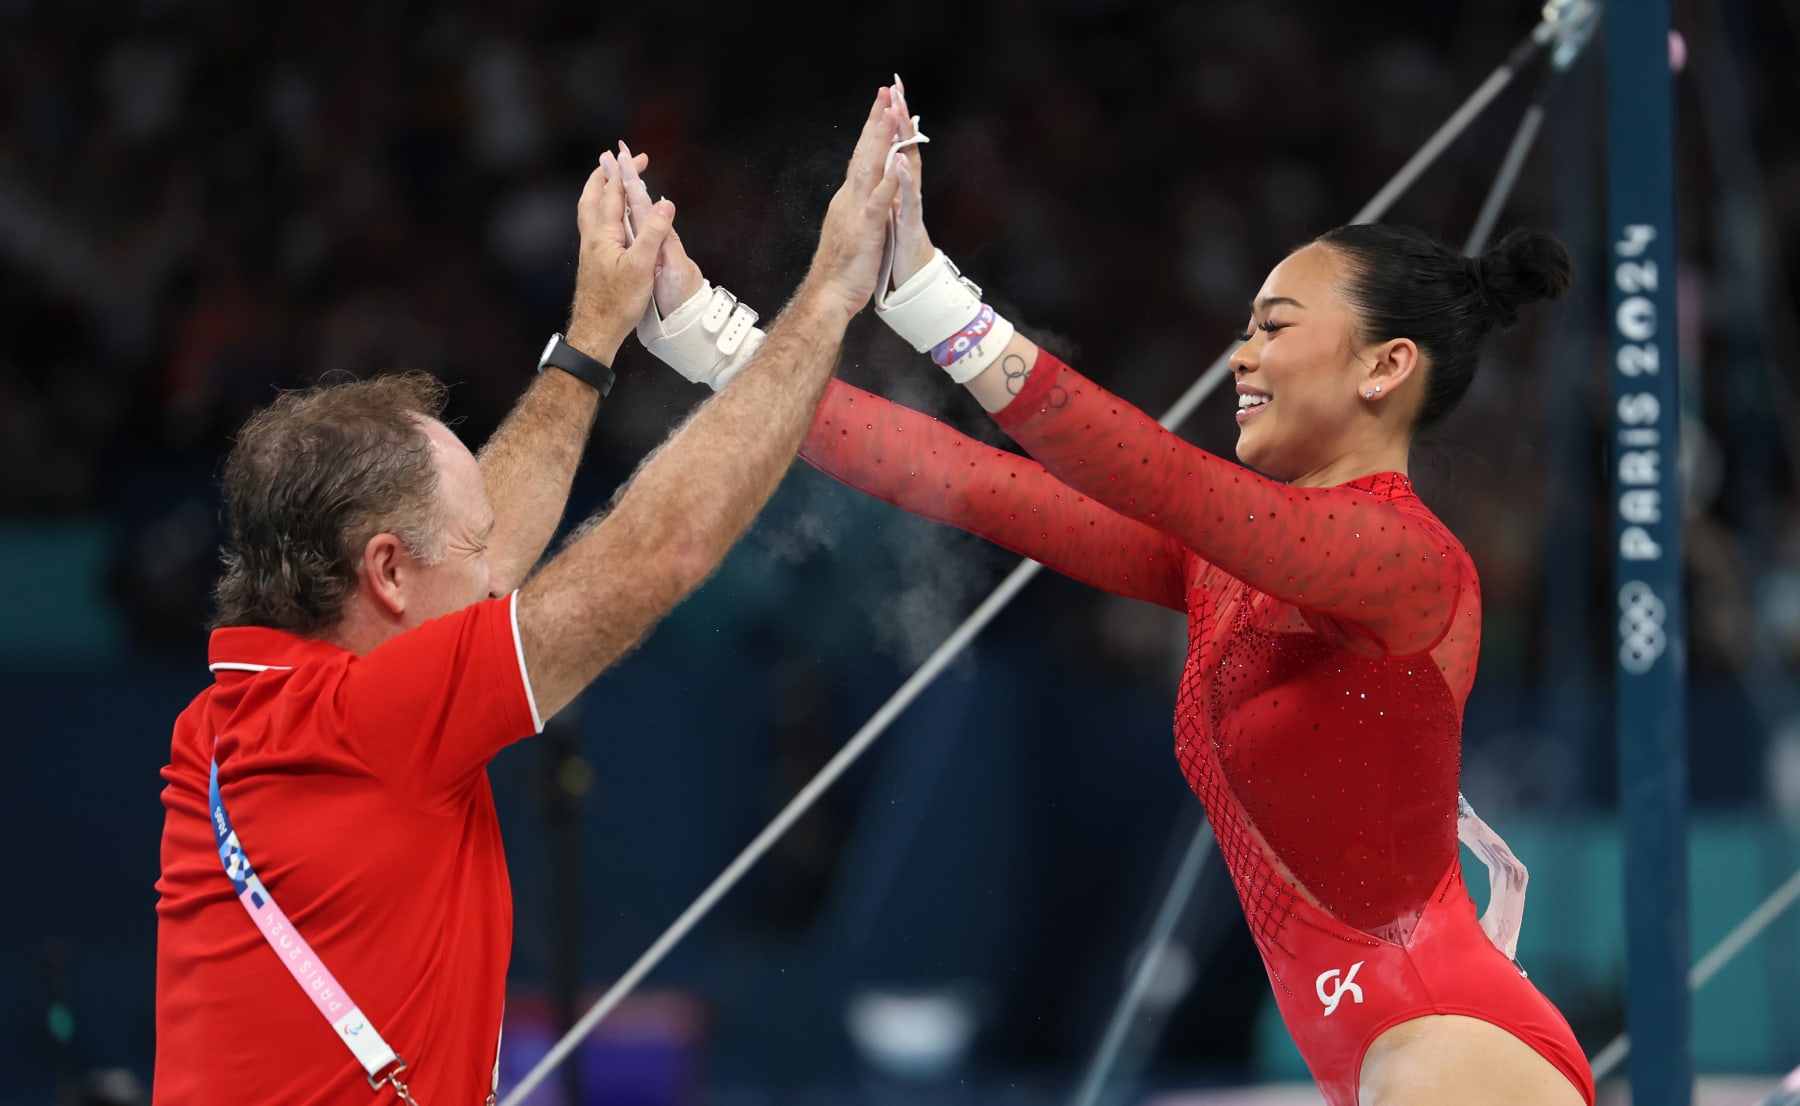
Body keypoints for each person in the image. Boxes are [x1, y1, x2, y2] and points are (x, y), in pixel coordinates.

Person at [621, 79, 1592, 1106]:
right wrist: (704, 334)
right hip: (1367, 1047)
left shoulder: (1406, 559)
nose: (1241, 354)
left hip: (1446, 1034)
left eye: (1276, 326)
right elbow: (976, 480)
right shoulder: (1228, 563)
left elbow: (1158, 475)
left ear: (1385, 366)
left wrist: (931, 295)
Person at [152, 90, 904, 1105]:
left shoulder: (234, 717)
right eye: (469, 547)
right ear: (384, 572)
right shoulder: (369, 722)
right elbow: (665, 549)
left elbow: (480, 545)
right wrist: (830, 296)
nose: (495, 566)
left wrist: (590, 340)